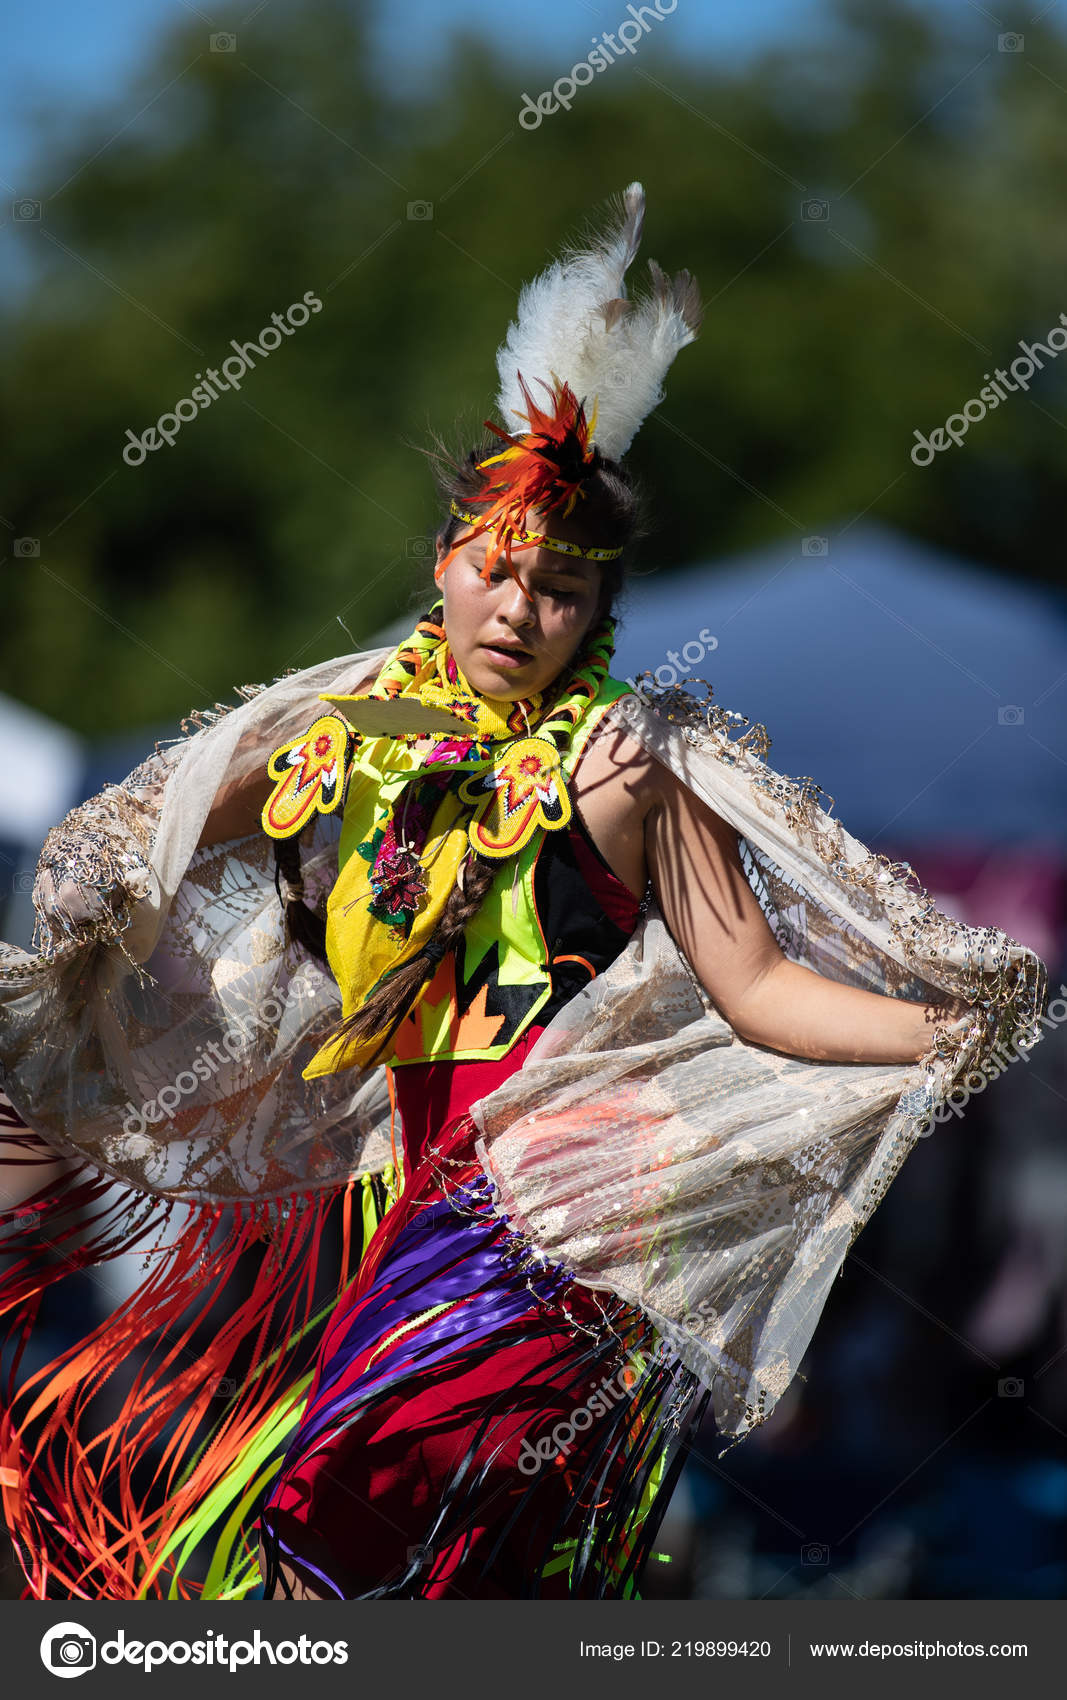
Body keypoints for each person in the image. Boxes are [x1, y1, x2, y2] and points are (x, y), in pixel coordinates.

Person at [0, 183, 1048, 1602]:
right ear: (443, 566)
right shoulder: (327, 744)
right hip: (363, 1194)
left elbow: (759, 989)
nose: (519, 609)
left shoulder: (630, 772)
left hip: (555, 1195)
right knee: (387, 1556)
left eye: (558, 590)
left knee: (364, 1489)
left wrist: (945, 1030)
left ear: (596, 615)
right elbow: (140, 858)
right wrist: (105, 934)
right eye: (497, 572)